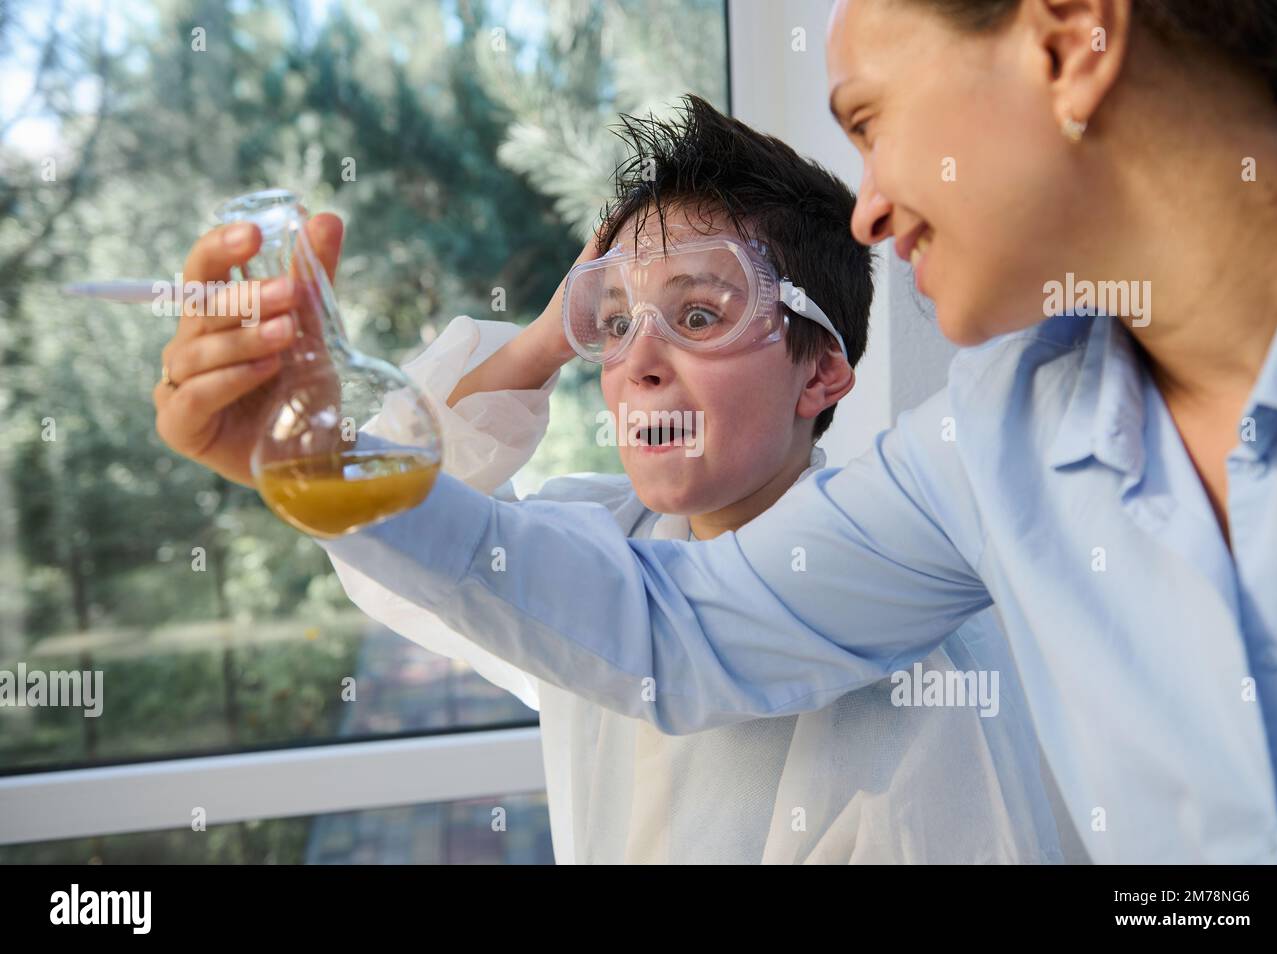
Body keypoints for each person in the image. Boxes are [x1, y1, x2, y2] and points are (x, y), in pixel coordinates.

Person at [156, 95, 1064, 863]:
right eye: (615, 321)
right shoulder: (600, 541)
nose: (638, 361)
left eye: (702, 313)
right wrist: (544, 334)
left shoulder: (921, 692)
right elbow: (405, 578)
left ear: (821, 373)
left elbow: (626, 614)